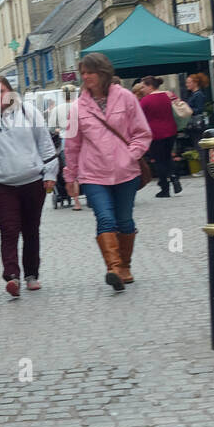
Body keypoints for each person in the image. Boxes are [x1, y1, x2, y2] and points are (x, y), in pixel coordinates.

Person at [63, 53, 152, 291]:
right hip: (93, 173)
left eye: (90, 72)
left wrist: (130, 155)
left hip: (126, 172)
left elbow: (142, 132)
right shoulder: (77, 107)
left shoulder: (125, 98)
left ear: (102, 73)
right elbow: (72, 145)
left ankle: (125, 266)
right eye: (83, 73)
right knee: (105, 218)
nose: (85, 77)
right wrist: (70, 177)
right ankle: (113, 268)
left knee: (124, 220)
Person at [0, 76, 57, 295]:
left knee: (31, 230)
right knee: (9, 230)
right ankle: (12, 276)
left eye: (1, 91)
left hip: (32, 181)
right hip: (1, 186)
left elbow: (45, 145)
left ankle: (31, 275)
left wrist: (50, 173)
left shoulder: (29, 113)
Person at [136, 76, 180, 197]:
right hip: (171, 131)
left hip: (156, 134)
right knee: (167, 156)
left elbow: (138, 116)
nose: (142, 90)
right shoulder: (168, 95)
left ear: (150, 86)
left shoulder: (146, 100)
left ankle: (164, 189)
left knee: (159, 161)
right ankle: (174, 176)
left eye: (143, 87)